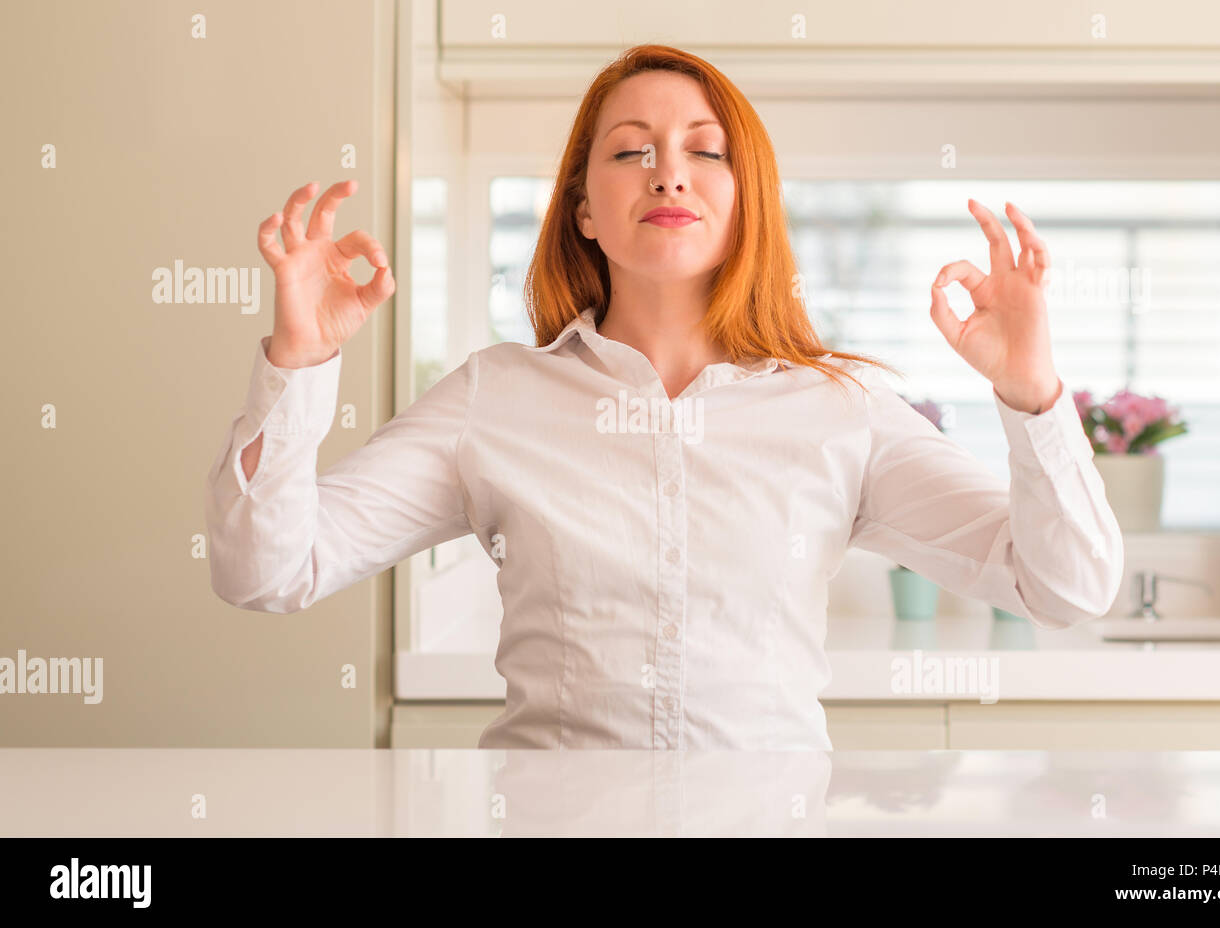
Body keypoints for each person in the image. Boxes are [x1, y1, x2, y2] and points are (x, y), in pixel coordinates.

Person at [205, 44, 1123, 750]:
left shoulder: (845, 412)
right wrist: (299, 360)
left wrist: (1032, 391)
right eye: (631, 151)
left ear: (745, 198)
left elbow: (1064, 588)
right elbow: (266, 571)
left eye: (704, 151)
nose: (667, 173)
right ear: (585, 212)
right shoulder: (495, 398)